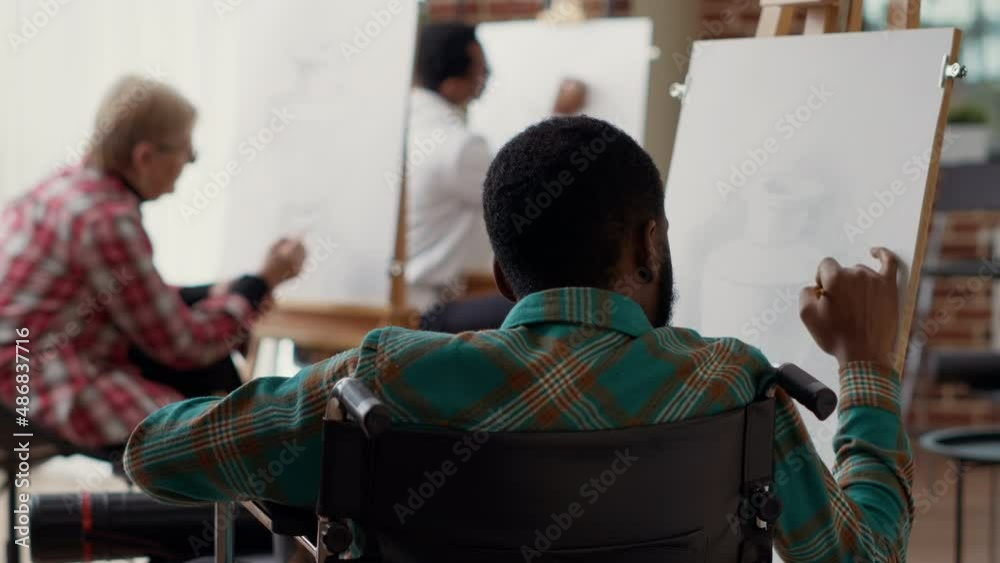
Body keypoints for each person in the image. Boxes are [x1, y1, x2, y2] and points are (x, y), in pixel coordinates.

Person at [124, 116, 911, 562]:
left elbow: (155, 455)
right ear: (650, 244)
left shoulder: (383, 381)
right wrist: (866, 366)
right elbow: (864, 554)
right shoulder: (731, 384)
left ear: (502, 275)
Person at [0, 75, 306, 450]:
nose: (188, 164)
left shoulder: (64, 186)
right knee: (209, 429)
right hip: (30, 379)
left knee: (205, 378)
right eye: (187, 153)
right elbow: (184, 345)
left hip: (23, 361)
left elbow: (131, 294)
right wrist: (258, 286)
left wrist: (218, 291)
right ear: (145, 157)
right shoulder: (108, 220)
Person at [406, 22, 587, 332]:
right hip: (429, 313)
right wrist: (562, 117)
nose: (486, 77)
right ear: (452, 84)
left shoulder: (404, 128)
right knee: (566, 308)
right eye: (481, 69)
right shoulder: (458, 147)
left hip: (403, 301)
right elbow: (531, 193)